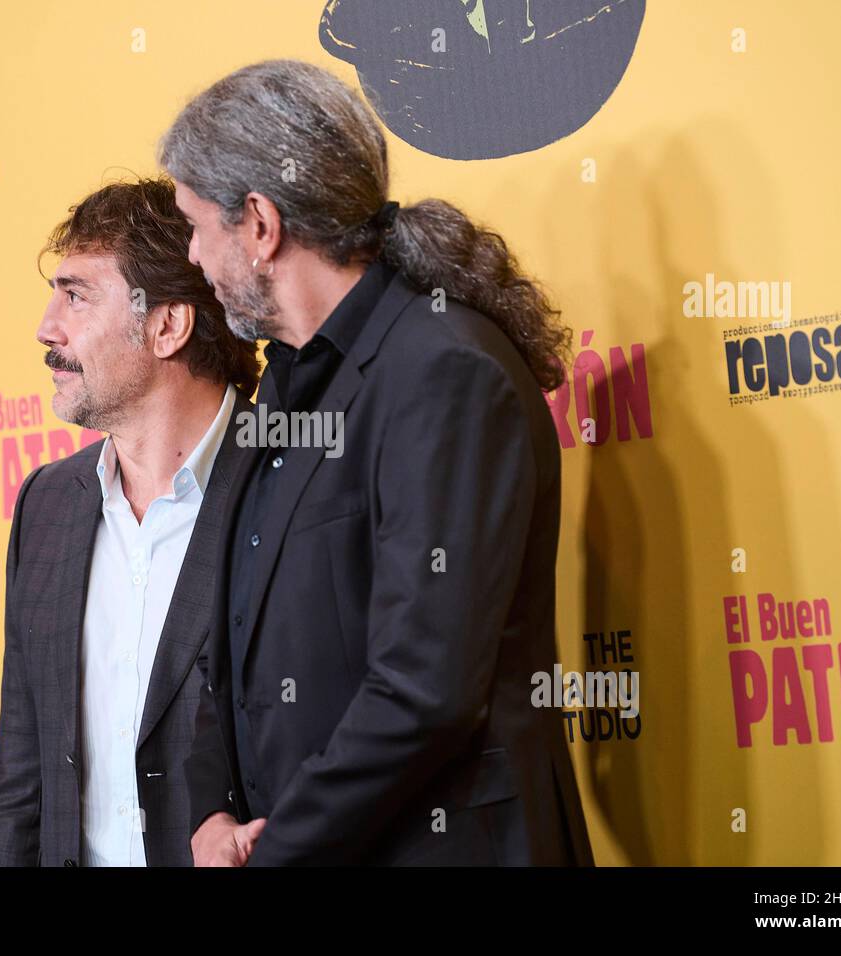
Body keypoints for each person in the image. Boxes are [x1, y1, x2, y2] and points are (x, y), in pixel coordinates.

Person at [160, 59, 595, 865]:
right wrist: (211, 815)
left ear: (259, 224)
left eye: (195, 225)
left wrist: (278, 847)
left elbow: (424, 691)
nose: (191, 257)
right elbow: (233, 643)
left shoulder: (442, 372)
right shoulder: (285, 384)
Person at [0, 177, 259, 866]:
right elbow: (21, 777)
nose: (47, 328)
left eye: (76, 296)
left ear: (167, 325)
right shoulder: (47, 505)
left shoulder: (287, 485)